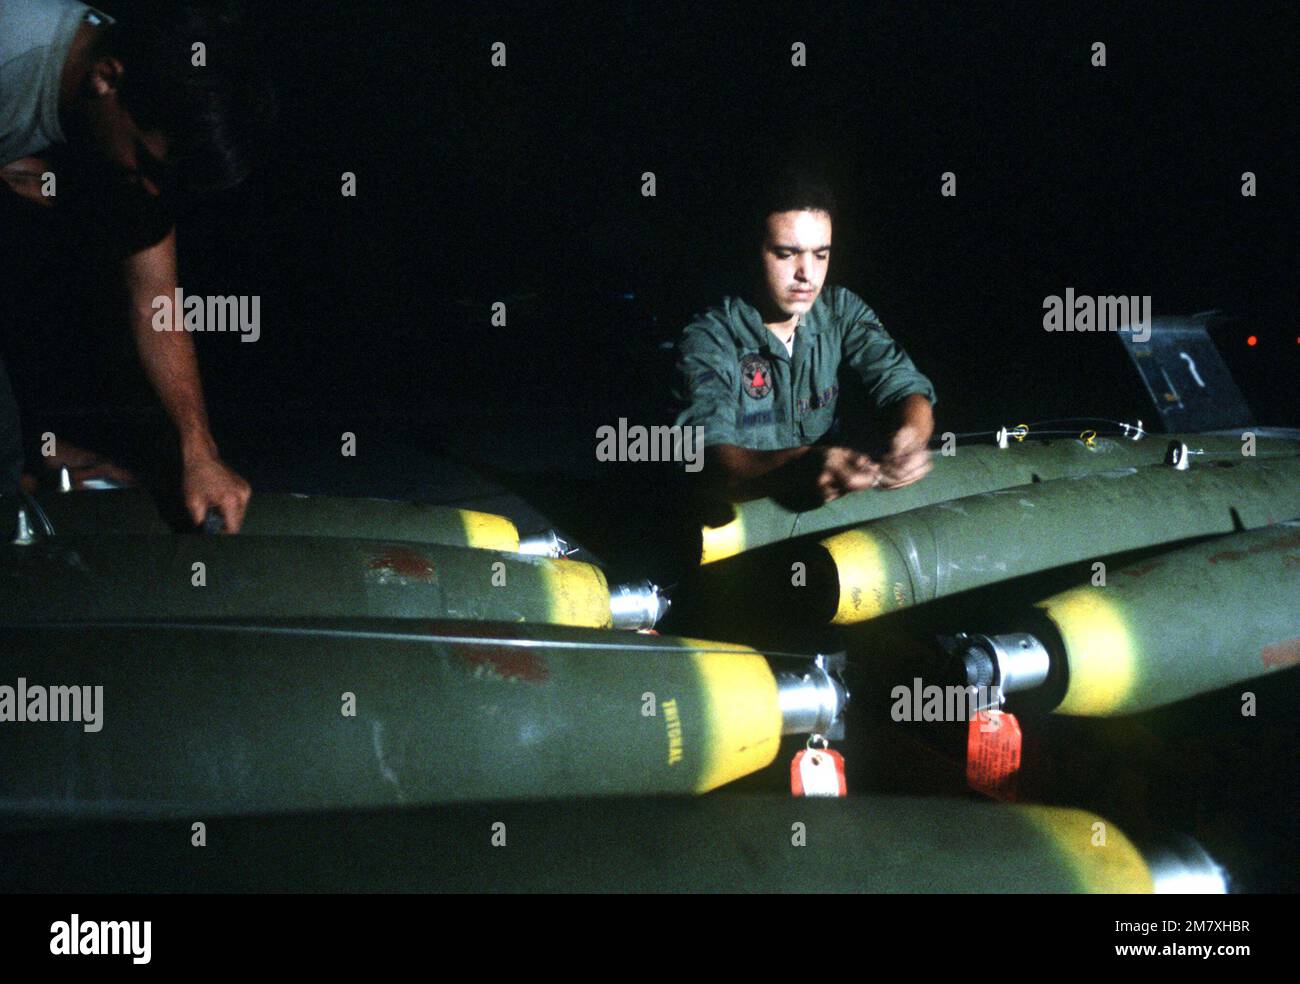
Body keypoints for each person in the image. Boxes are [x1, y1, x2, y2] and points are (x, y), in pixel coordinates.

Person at [0, 0, 269, 530]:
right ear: (107, 78)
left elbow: (157, 301)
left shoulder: (119, 94)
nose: (152, 191)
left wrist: (199, 450)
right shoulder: (11, 54)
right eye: (145, 165)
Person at [671, 170, 936, 505]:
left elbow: (904, 384)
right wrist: (800, 464)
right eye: (786, 254)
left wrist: (911, 436)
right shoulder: (709, 339)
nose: (807, 274)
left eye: (820, 255)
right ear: (754, 251)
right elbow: (709, 458)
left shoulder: (841, 311)